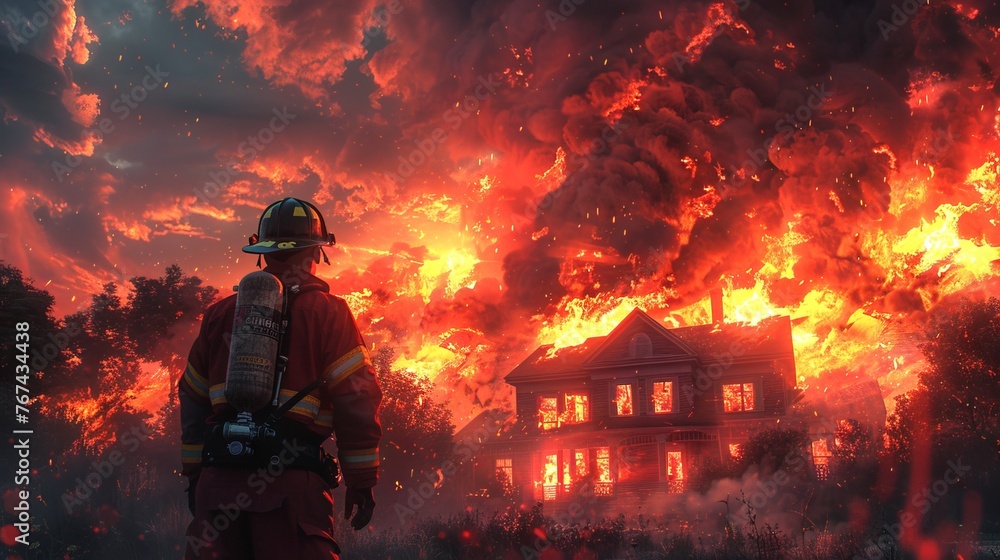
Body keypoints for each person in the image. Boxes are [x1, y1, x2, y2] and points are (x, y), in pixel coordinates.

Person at [178, 197, 382, 559]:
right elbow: (357, 399)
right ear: (316, 253)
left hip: (217, 483)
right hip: (290, 488)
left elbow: (193, 398)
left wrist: (195, 476)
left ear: (262, 252)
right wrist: (362, 481)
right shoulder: (329, 314)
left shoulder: (219, 315)